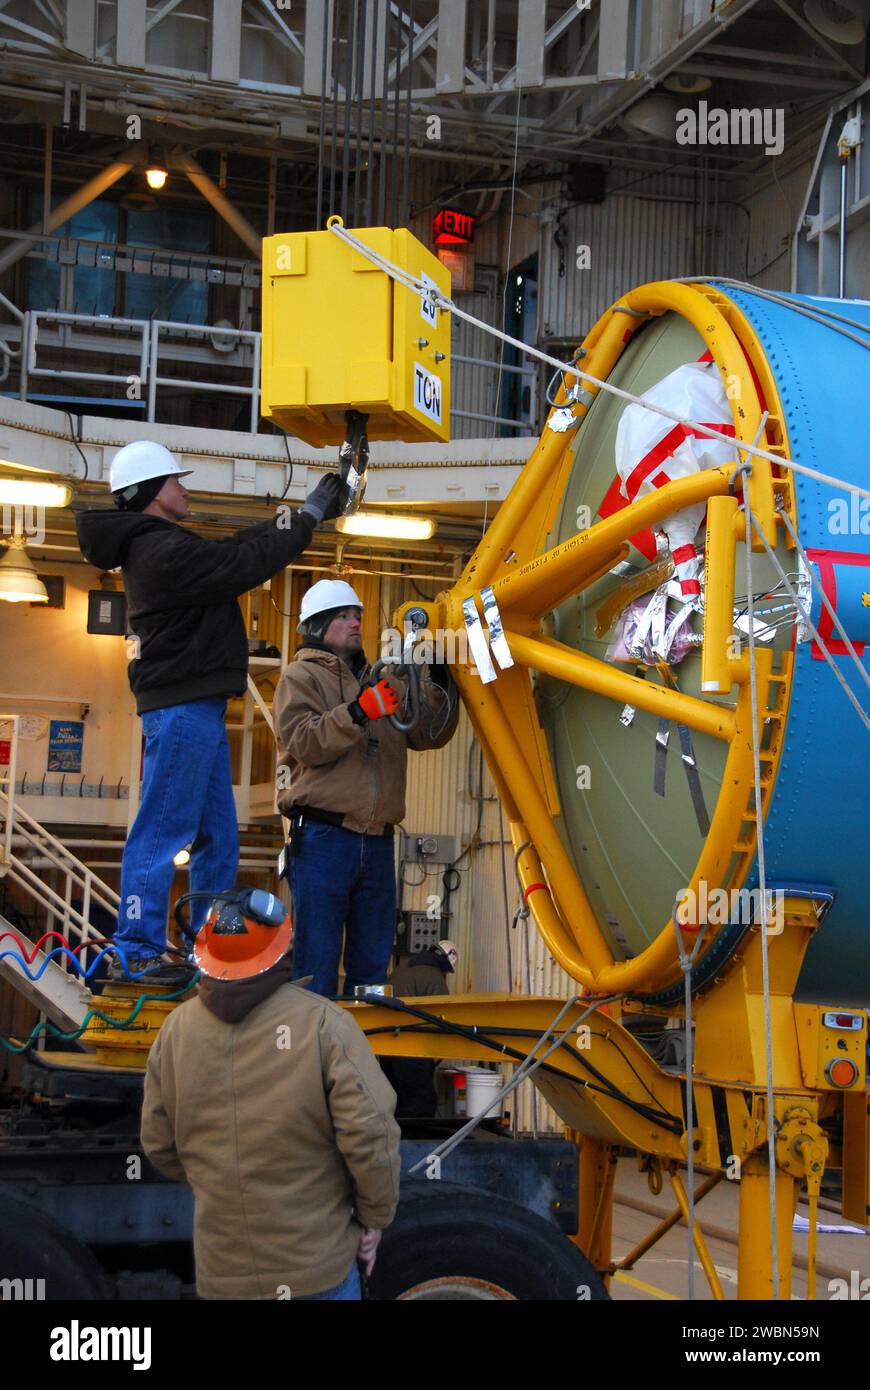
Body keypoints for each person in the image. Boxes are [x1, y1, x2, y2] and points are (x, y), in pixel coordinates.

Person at [76, 440, 343, 984]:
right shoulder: (157, 551)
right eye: (177, 481)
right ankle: (137, 947)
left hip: (194, 707)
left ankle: (210, 947)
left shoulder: (163, 545)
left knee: (219, 837)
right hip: (180, 711)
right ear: (152, 492)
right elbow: (237, 562)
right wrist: (308, 514)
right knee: (162, 831)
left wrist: (300, 518)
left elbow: (236, 550)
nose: (186, 488)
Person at [140, 890, 401, 1300]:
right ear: (281, 948)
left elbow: (158, 1145)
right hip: (317, 1271)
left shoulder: (174, 1031)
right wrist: (373, 1219)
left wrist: (220, 1178)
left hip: (222, 1276)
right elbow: (371, 1135)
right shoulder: (324, 1024)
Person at [273, 579, 458, 998]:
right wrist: (358, 712)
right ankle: (313, 1057)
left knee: (373, 968)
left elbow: (429, 733)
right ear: (319, 625)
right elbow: (304, 742)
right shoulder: (301, 677)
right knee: (316, 961)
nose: (355, 621)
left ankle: (362, 1056)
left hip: (377, 841)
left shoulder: (383, 678)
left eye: (357, 614)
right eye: (343, 615)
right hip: (323, 836)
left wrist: (441, 673)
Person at [383, 940, 459, 1117]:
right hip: (412, 1047)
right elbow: (441, 1018)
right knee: (420, 1103)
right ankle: (420, 1142)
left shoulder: (402, 968)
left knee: (396, 1100)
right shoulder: (434, 978)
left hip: (386, 1043)